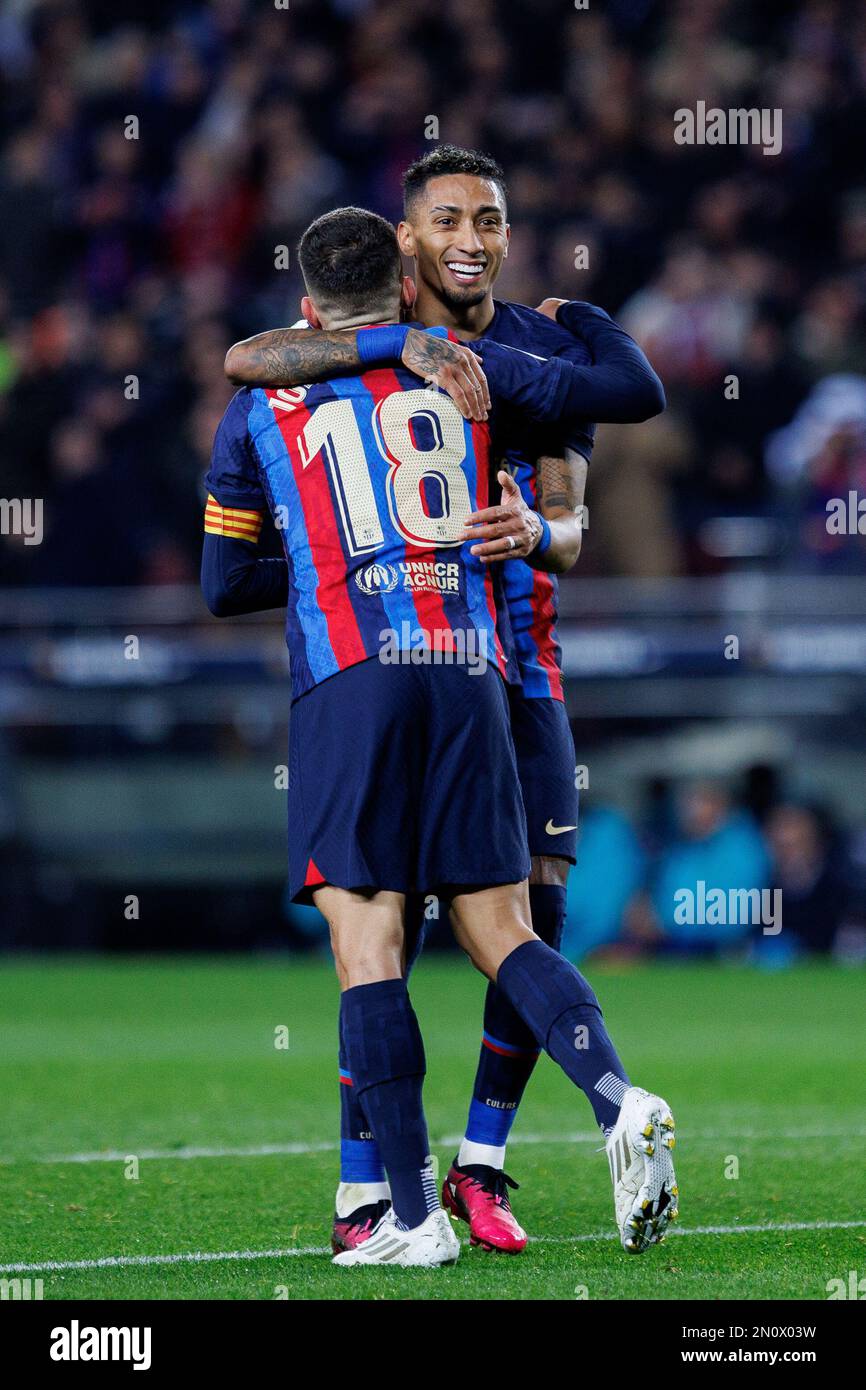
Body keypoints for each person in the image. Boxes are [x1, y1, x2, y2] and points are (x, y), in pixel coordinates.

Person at [223, 148, 674, 1257]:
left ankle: (470, 1167)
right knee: (448, 923)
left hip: (511, 664)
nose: (471, 236)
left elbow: (596, 458)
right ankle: (371, 1182)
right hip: (458, 661)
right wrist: (401, 342)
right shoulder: (382, 346)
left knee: (486, 911)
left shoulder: (520, 353)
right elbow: (251, 352)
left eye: (490, 217)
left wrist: (540, 532)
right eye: (447, 218)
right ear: (406, 243)